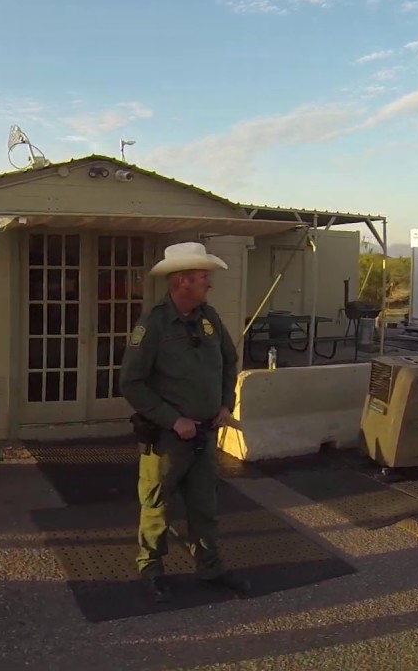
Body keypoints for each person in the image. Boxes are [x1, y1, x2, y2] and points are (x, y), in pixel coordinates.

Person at [118, 241, 251, 603]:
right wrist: (173, 420)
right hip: (168, 438)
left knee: (205, 504)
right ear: (181, 282)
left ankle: (210, 567)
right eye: (202, 277)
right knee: (157, 504)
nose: (209, 283)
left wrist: (227, 403)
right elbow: (131, 383)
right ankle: (151, 568)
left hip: (205, 434)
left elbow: (228, 362)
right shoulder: (153, 325)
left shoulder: (209, 319)